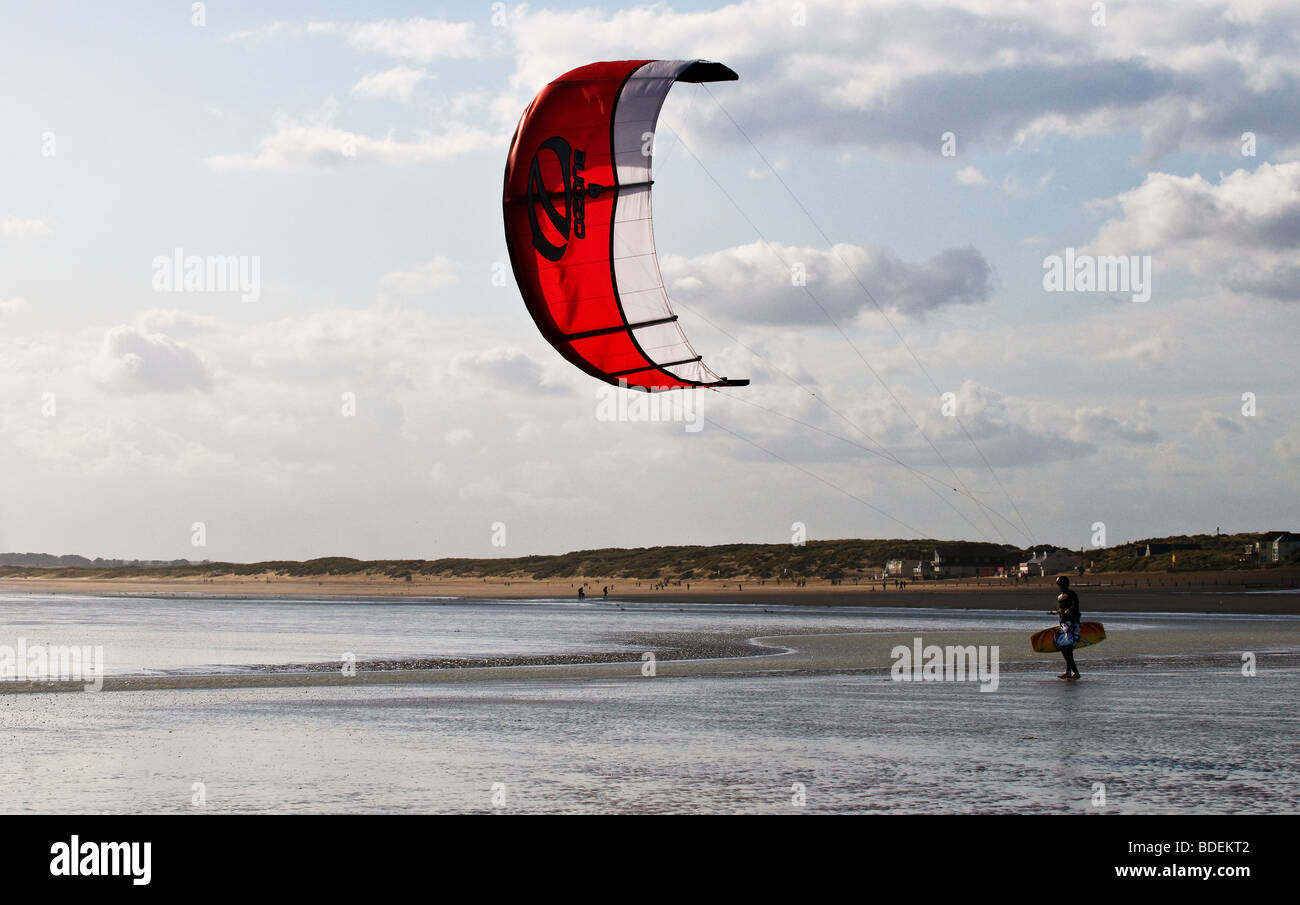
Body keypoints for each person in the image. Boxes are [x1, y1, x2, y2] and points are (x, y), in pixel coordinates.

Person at [1051, 575, 1081, 680]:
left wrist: (1070, 610)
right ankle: (1069, 672)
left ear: (1065, 584)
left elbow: (1075, 605)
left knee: (1066, 648)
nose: (1060, 586)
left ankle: (1075, 672)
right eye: (1059, 585)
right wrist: (1057, 612)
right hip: (1063, 625)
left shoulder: (1071, 594)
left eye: (1061, 584)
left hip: (1072, 624)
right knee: (1065, 649)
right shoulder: (1060, 596)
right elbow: (1061, 610)